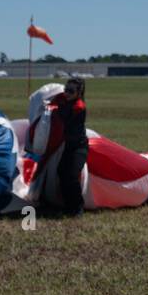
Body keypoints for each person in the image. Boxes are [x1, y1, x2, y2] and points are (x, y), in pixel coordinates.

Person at [49, 77, 88, 215]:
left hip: (79, 147)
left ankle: (78, 208)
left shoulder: (79, 107)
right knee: (61, 172)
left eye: (71, 91)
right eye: (66, 89)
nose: (67, 93)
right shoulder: (65, 101)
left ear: (79, 92)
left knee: (71, 175)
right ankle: (68, 206)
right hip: (69, 146)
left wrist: (54, 109)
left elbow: (64, 118)